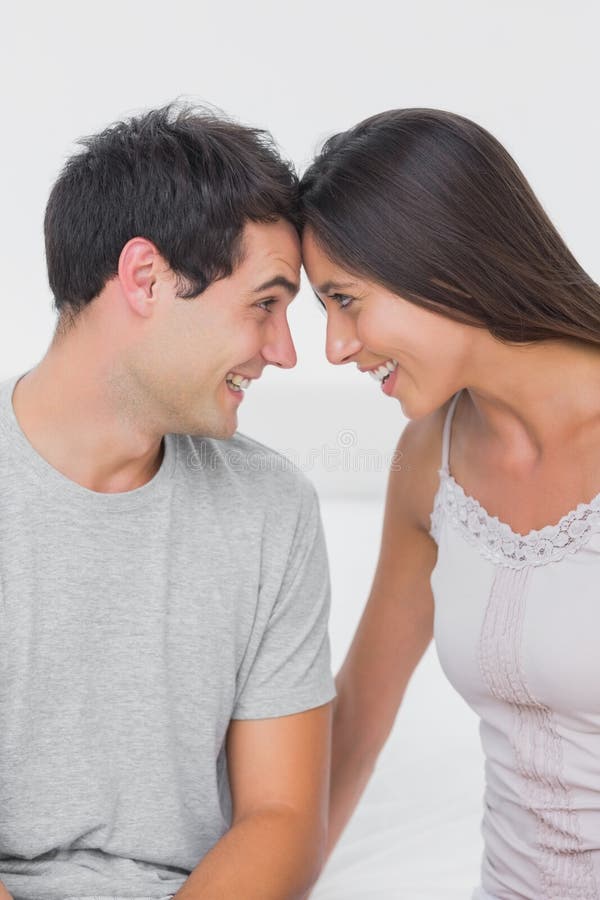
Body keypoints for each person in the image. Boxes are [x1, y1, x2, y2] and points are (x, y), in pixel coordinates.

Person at [0, 103, 336, 900]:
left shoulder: (271, 509)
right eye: (265, 303)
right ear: (146, 278)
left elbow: (282, 815)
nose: (285, 352)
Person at [299, 108, 600, 899]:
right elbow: (357, 724)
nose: (335, 346)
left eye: (346, 300)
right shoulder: (429, 459)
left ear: (441, 262)